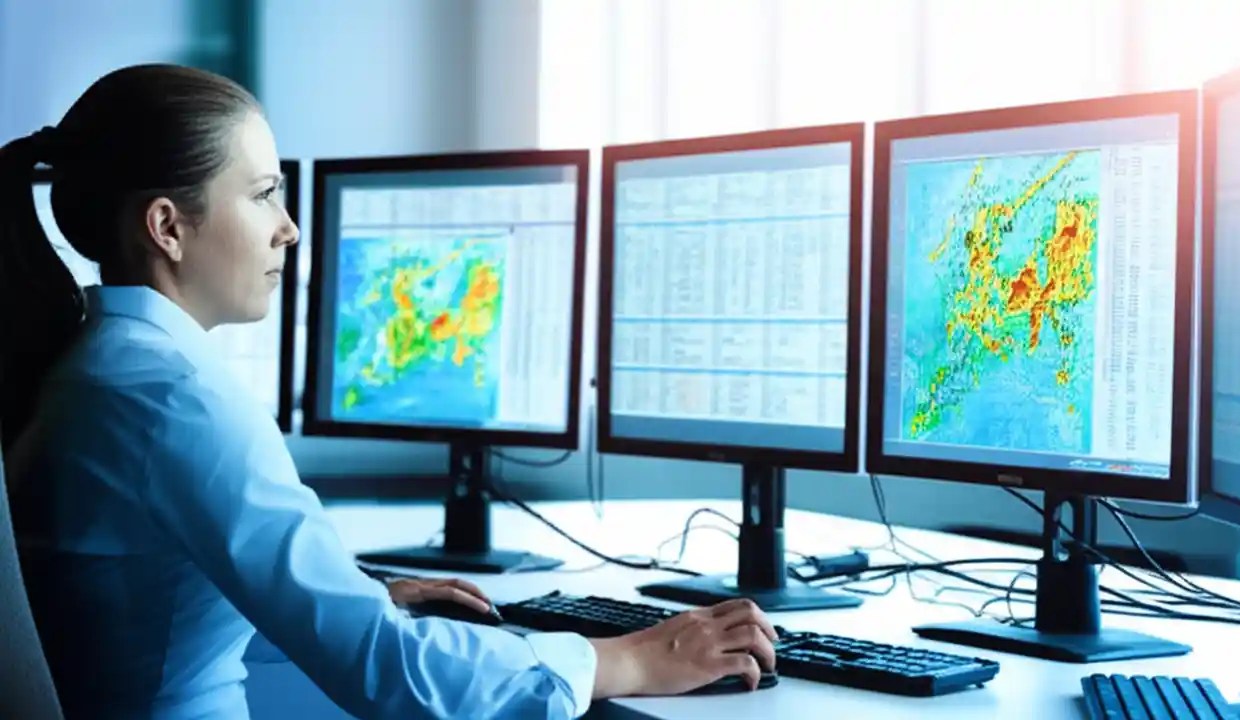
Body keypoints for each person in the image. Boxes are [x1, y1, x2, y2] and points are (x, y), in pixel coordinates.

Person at [0, 64, 777, 720]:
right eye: (264, 192)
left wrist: (363, 594)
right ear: (168, 227)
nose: (289, 228)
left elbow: (150, 611)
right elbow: (388, 673)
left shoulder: (95, 367)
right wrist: (628, 661)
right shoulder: (175, 400)